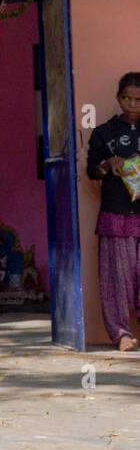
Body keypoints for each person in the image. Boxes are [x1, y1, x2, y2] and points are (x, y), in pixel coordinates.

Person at [86, 72, 140, 351]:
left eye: (138, 99)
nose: (132, 104)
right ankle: (121, 334)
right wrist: (108, 165)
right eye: (126, 98)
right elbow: (91, 170)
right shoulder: (103, 133)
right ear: (118, 98)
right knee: (116, 279)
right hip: (116, 213)